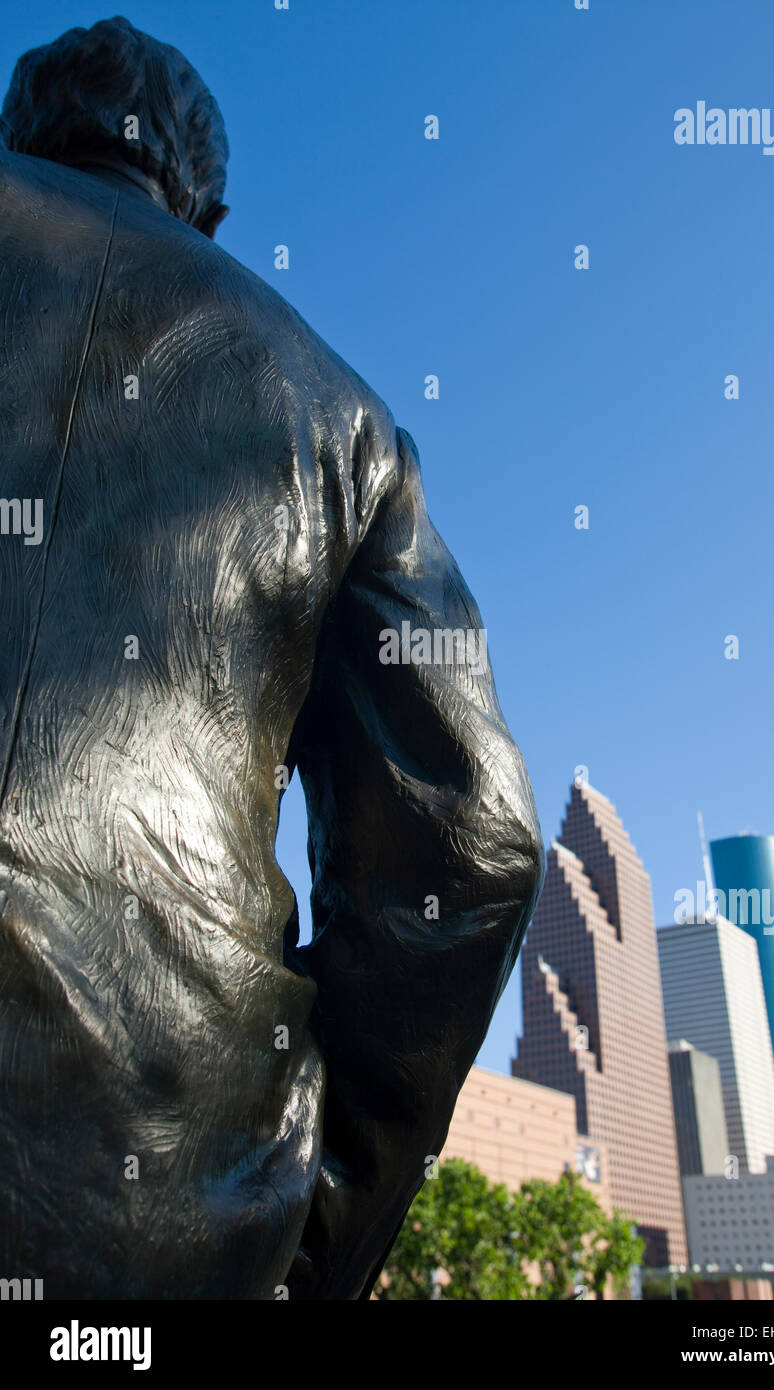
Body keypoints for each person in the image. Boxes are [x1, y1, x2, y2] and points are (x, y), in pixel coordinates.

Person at [0, 16, 543, 1299]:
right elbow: (467, 857)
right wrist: (316, 1240)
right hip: (160, 1200)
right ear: (214, 209)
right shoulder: (339, 416)